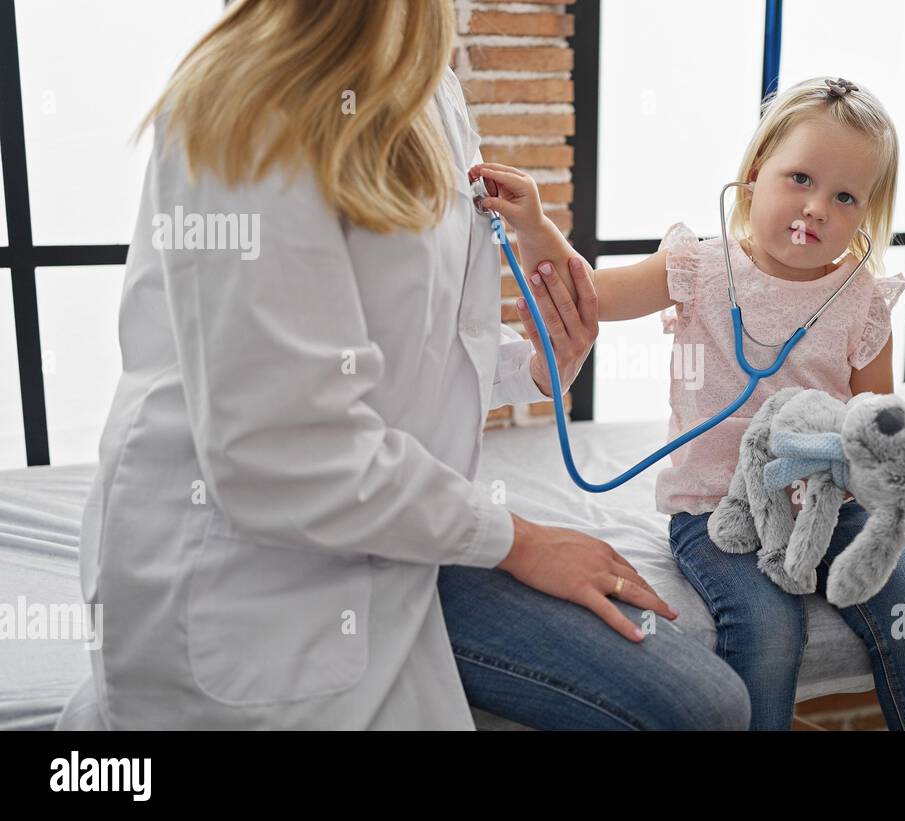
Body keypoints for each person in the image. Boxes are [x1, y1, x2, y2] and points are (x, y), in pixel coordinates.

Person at [55, 0, 750, 731]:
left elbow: (403, 358)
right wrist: (522, 541)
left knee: (712, 705)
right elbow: (284, 449)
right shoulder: (254, 105)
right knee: (702, 710)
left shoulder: (426, 87)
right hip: (258, 581)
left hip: (401, 525)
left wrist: (536, 370)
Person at [471, 76, 905, 731]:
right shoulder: (699, 269)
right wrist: (534, 225)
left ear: (865, 215)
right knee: (771, 631)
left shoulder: (862, 301)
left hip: (830, 508)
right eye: (801, 179)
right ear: (754, 177)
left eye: (844, 196)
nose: (816, 208)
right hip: (717, 508)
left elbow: (877, 423)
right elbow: (588, 294)